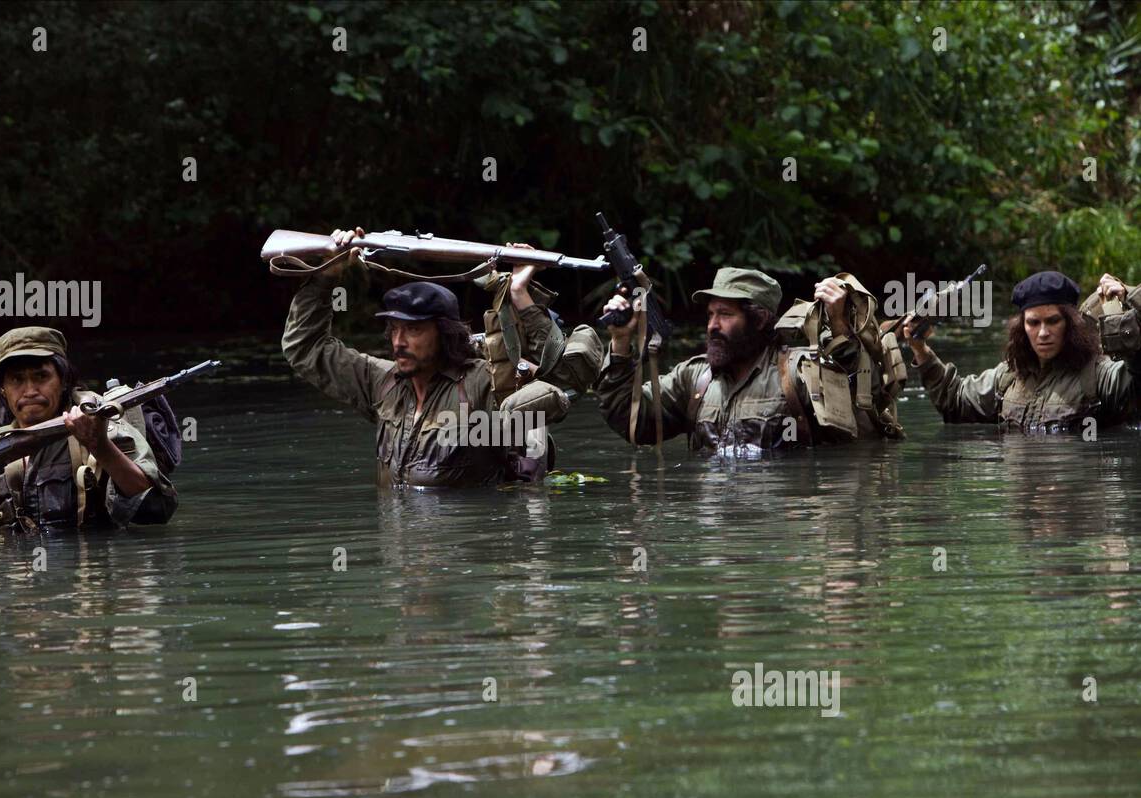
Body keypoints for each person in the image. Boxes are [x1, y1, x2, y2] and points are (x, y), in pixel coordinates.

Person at [281, 226, 567, 487]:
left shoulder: (484, 382)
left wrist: (519, 293)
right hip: (395, 539)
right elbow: (305, 348)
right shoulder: (381, 382)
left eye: (413, 330)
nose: (399, 342)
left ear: (445, 334)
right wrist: (327, 275)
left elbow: (553, 376)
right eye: (394, 330)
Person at [0, 326, 177, 531]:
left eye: (41, 377)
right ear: (3, 391)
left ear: (64, 381)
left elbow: (156, 509)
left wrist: (99, 445)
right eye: (17, 380)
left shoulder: (105, 429)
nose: (30, 390)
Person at [596, 266, 895, 452]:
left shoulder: (799, 371)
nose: (713, 325)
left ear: (759, 320)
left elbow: (863, 412)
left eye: (725, 315)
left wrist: (840, 326)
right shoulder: (694, 378)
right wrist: (621, 342)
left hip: (778, 531)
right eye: (711, 314)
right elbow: (632, 422)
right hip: (712, 536)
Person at [905, 271, 1141, 432]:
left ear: (1071, 325)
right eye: (1033, 323)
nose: (1043, 333)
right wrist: (920, 349)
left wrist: (1130, 300)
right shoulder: (1009, 376)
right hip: (1024, 494)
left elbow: (1136, 382)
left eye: (1053, 321)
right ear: (1022, 327)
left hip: (1075, 494)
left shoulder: (1098, 376)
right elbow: (955, 401)